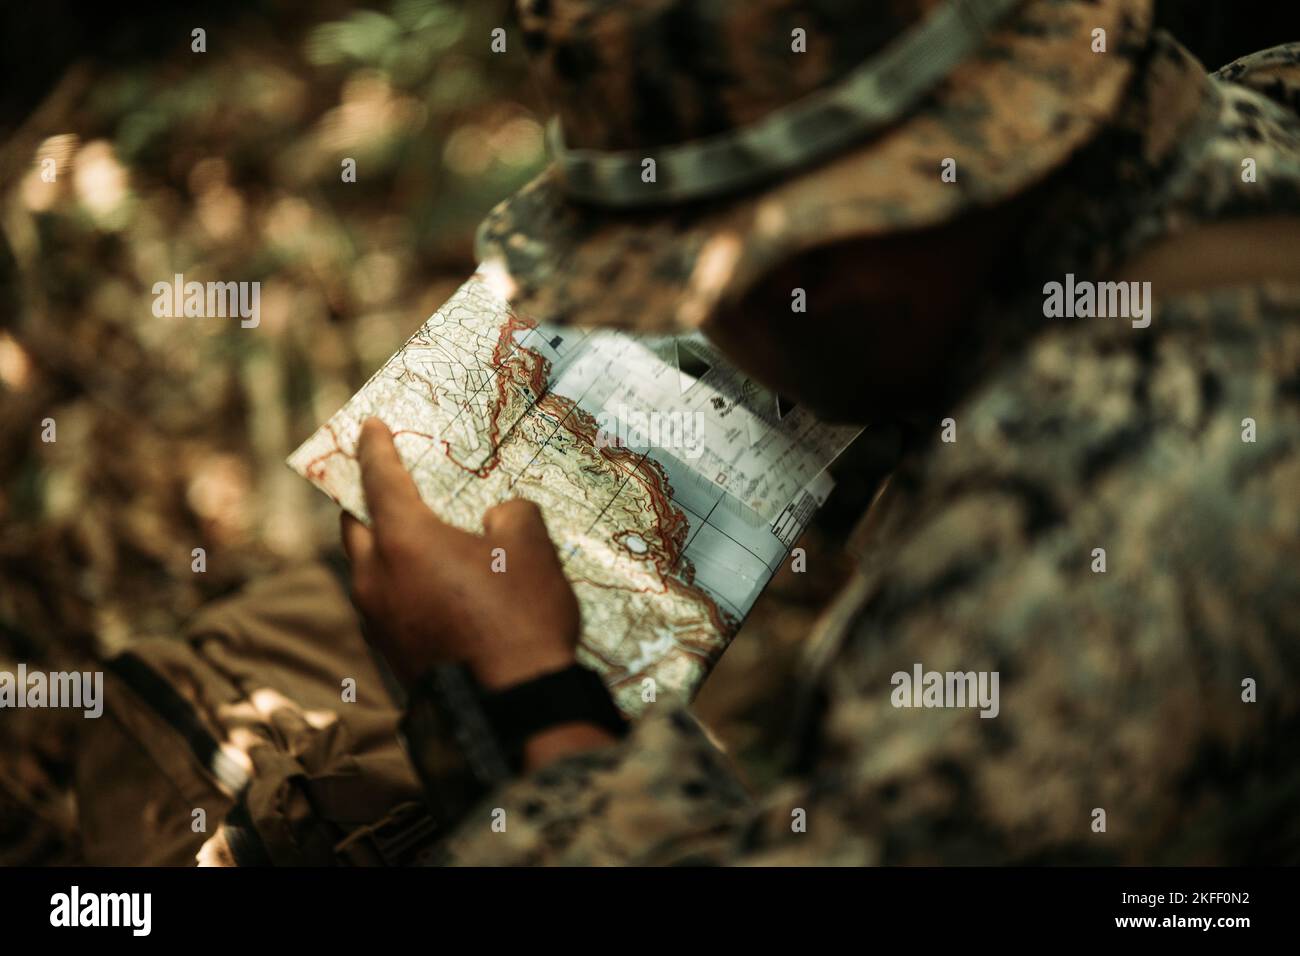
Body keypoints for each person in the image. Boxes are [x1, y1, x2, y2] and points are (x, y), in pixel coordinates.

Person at [78, 0, 1300, 865]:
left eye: (706, 283)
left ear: (870, 244)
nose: (686, 328)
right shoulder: (1244, 124)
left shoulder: (1096, 556)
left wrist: (516, 695)